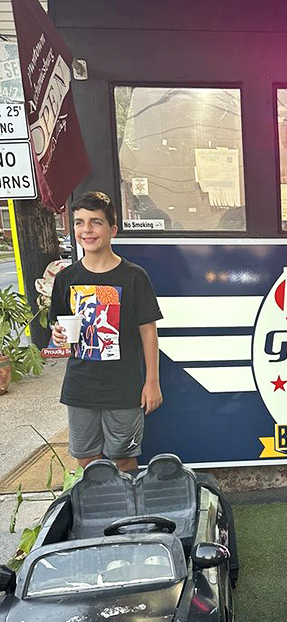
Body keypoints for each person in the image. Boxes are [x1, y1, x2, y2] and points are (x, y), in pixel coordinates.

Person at [50, 191, 163, 473]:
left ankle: (129, 514)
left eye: (95, 222)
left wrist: (152, 382)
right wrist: (59, 336)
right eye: (79, 222)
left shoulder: (134, 276)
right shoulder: (66, 278)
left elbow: (148, 331)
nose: (86, 230)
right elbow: (57, 329)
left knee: (124, 460)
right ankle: (99, 514)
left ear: (112, 230)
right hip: (80, 387)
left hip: (124, 388)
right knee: (87, 461)